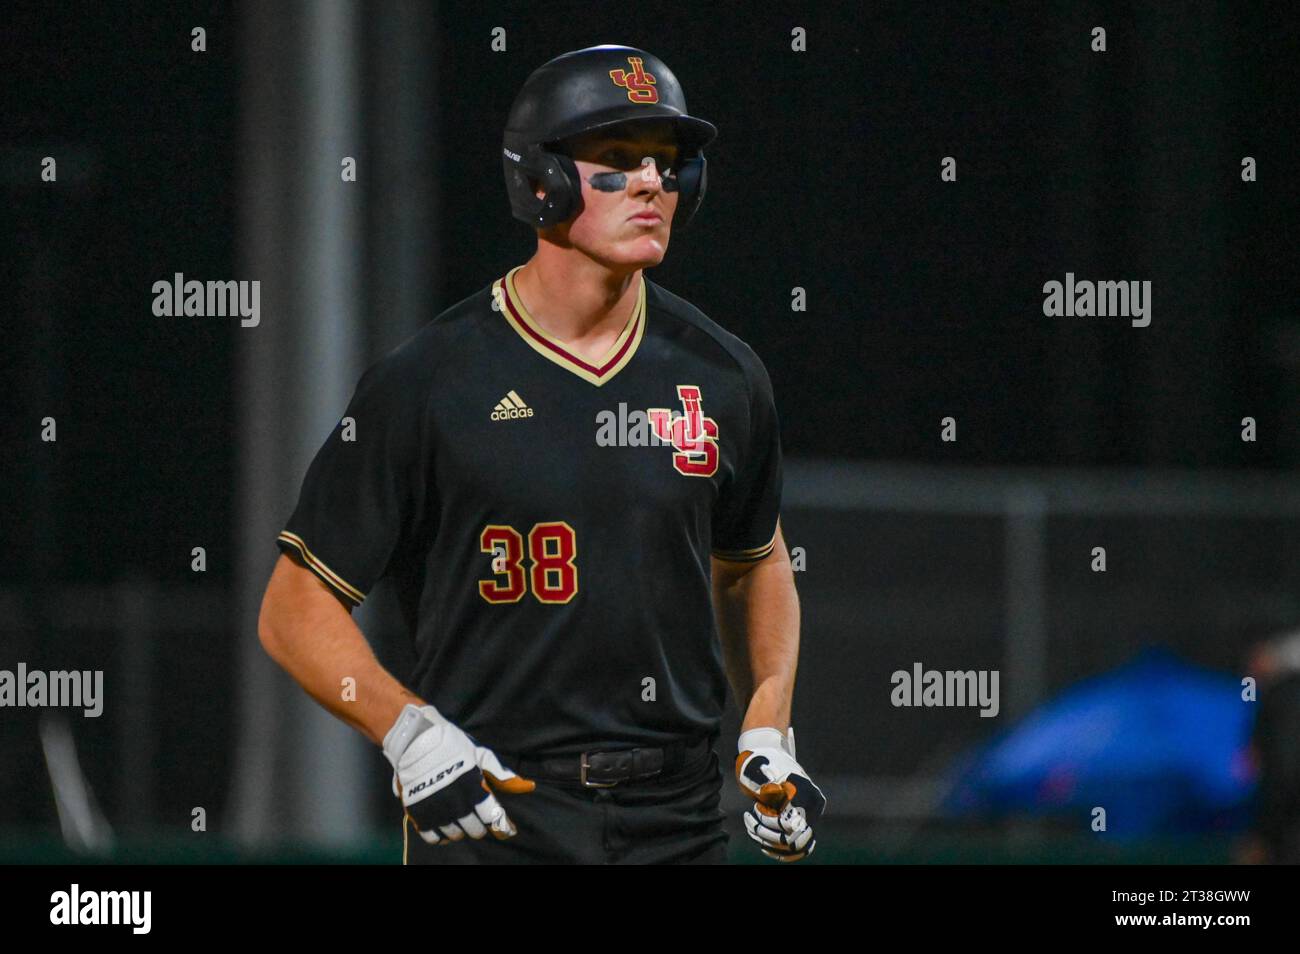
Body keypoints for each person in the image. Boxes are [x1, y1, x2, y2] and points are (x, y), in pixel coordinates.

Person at [257, 44, 824, 864]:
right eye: (619, 160)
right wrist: (407, 733)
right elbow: (295, 606)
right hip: (494, 811)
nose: (652, 185)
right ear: (541, 180)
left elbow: (754, 563)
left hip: (680, 819)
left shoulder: (725, 374)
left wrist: (769, 724)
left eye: (667, 164)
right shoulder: (429, 381)